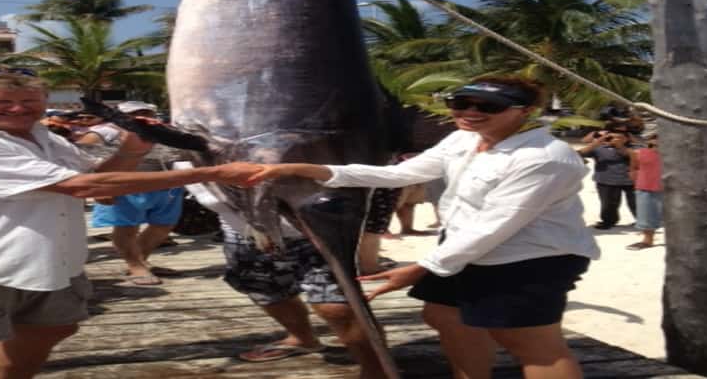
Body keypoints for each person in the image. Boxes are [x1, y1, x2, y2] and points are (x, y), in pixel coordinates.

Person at [0, 68, 258, 379]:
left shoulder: (45, 138)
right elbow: (79, 186)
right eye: (0, 103)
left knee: (50, 329)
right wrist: (216, 172)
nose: (18, 109)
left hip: (45, 263)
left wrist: (131, 150)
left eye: (30, 102)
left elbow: (100, 187)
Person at [244, 77, 599, 379]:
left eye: (488, 106)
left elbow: (494, 226)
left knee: (529, 341)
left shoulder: (544, 157)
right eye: (460, 103)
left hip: (529, 257)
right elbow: (401, 175)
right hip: (465, 247)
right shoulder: (464, 138)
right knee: (444, 315)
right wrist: (317, 171)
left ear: (526, 112)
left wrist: (419, 269)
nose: (470, 112)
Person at [184, 181, 328, 363]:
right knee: (265, 291)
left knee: (335, 307)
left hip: (320, 230)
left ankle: (369, 358)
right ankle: (303, 338)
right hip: (242, 230)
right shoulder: (171, 155)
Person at [89, 101, 186, 286]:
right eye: (134, 113)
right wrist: (99, 183)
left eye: (147, 112)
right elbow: (85, 153)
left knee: (164, 225)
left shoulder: (163, 131)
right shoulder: (106, 131)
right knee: (127, 228)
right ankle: (136, 266)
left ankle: (141, 259)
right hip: (127, 185)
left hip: (165, 185)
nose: (142, 116)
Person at [579, 129, 636, 230]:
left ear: (627, 138)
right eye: (611, 137)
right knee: (608, 204)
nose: (614, 139)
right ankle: (608, 221)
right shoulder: (600, 148)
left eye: (619, 137)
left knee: (635, 202)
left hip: (631, 180)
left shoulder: (635, 148)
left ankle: (642, 221)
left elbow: (633, 155)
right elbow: (580, 153)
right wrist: (598, 141)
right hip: (606, 180)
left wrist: (620, 146)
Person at [627, 133, 662, 250]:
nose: (656, 141)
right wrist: (636, 181)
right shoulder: (637, 153)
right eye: (653, 138)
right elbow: (633, 168)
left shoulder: (674, 154)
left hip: (669, 188)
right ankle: (648, 240)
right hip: (645, 186)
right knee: (645, 215)